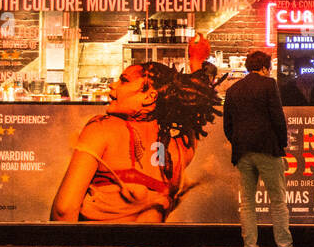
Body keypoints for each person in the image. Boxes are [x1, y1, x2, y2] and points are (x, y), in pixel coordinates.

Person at [51, 59, 220, 223]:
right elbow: (197, 113)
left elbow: (63, 210)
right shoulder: (177, 151)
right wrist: (197, 62)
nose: (112, 85)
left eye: (124, 81)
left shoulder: (103, 129)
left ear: (149, 97)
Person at [222, 50, 300, 247]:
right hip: (267, 148)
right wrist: (281, 144)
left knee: (247, 202)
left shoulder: (233, 90)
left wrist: (237, 141)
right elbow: (277, 117)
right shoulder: (269, 85)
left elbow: (227, 125)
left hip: (242, 152)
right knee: (277, 200)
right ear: (265, 67)